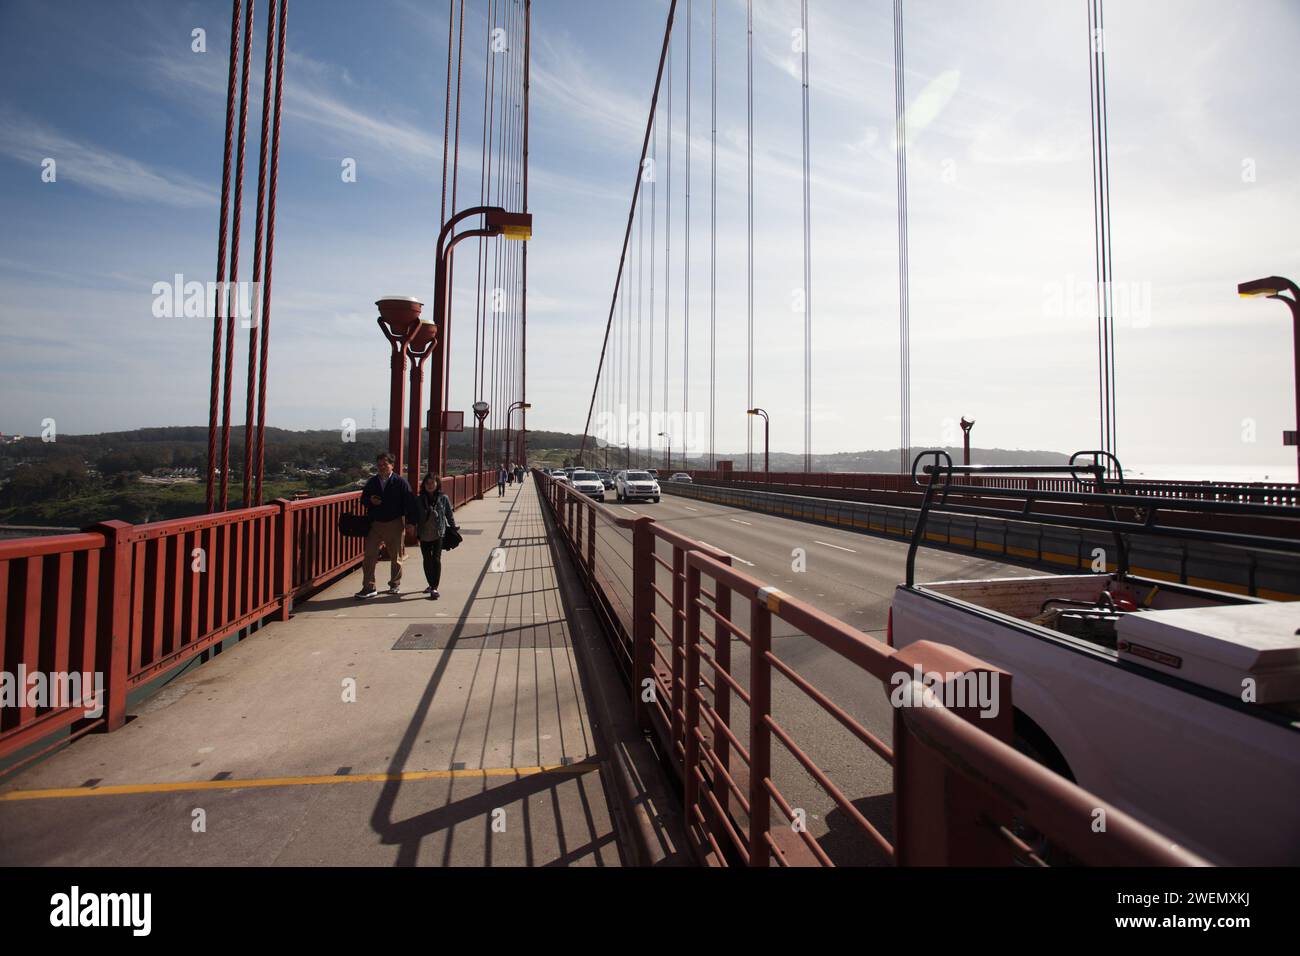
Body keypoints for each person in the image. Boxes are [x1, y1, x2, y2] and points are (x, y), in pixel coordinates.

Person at [356, 452, 415, 599]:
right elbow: (363, 500)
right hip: (375, 523)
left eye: (385, 464)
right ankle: (369, 587)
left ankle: (394, 584)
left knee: (396, 557)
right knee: (369, 556)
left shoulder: (401, 482)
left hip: (394, 522)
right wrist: (371, 501)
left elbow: (410, 503)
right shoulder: (372, 482)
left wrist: (410, 523)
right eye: (379, 465)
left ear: (392, 465)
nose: (382, 467)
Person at [414, 473, 457, 600]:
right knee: (427, 559)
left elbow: (449, 514)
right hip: (424, 533)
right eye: (427, 483)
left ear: (437, 483)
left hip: (439, 533)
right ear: (424, 485)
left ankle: (434, 587)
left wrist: (453, 527)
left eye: (433, 483)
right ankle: (431, 583)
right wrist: (411, 525)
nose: (430, 485)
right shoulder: (419, 499)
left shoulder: (443, 498)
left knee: (436, 559)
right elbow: (415, 515)